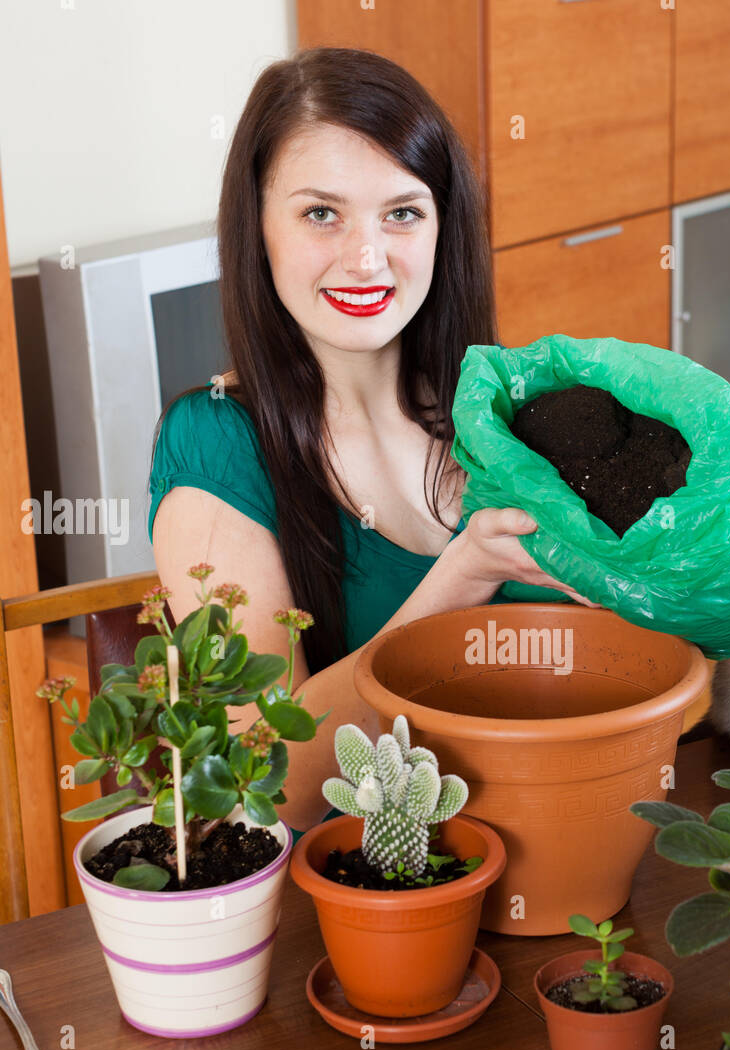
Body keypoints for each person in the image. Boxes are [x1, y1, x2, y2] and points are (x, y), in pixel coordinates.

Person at [147, 48, 598, 842]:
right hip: (368, 911)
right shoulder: (217, 444)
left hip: (577, 842)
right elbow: (265, 788)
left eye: (402, 212)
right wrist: (464, 575)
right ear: (256, 226)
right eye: (321, 213)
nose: (366, 257)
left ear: (441, 226)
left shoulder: (500, 410)